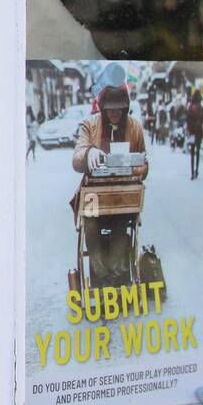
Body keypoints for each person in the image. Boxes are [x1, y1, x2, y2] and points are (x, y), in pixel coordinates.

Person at [71, 85, 149, 290]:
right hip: (95, 194)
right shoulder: (90, 124)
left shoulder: (135, 127)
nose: (114, 113)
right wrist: (89, 152)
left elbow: (144, 163)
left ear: (126, 108)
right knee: (90, 225)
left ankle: (115, 271)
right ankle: (102, 274)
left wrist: (135, 167)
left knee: (121, 224)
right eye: (110, 109)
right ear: (102, 108)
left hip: (122, 196)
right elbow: (76, 158)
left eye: (119, 108)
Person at [187, 89, 203, 180]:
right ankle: (196, 170)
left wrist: (189, 131)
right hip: (199, 132)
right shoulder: (201, 108)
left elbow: (188, 121)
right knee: (198, 152)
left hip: (192, 132)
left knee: (192, 152)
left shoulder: (190, 107)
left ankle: (192, 172)